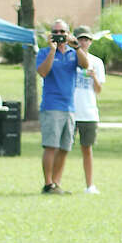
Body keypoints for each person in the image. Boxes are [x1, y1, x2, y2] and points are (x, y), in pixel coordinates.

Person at [36, 19, 89, 195]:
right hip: (52, 106)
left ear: (67, 33)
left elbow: (85, 65)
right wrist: (52, 50)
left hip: (69, 107)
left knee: (65, 147)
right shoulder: (44, 52)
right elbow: (43, 72)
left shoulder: (73, 53)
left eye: (62, 32)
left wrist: (76, 47)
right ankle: (48, 183)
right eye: (55, 32)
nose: (59, 35)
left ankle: (57, 183)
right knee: (51, 146)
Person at [72, 26, 106, 194]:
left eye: (86, 39)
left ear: (90, 42)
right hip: (70, 110)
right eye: (80, 39)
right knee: (62, 149)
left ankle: (90, 185)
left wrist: (94, 78)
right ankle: (55, 183)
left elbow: (99, 90)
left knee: (87, 149)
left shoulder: (97, 62)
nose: (83, 42)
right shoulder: (69, 59)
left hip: (89, 112)